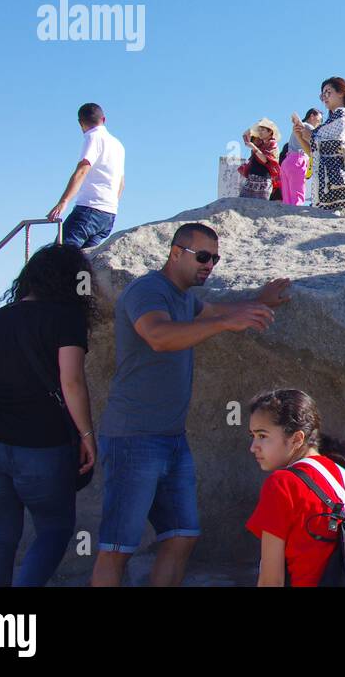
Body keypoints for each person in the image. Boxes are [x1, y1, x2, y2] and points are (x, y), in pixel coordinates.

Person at [91, 222, 290, 587]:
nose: (209, 265)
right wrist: (229, 321)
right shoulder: (148, 290)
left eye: (215, 258)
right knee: (117, 546)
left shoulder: (185, 297)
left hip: (171, 438)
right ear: (175, 253)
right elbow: (158, 335)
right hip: (133, 438)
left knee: (182, 535)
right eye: (202, 256)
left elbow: (211, 312)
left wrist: (259, 302)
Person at [0, 244, 97, 587]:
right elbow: (72, 381)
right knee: (54, 530)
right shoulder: (67, 318)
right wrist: (86, 435)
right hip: (39, 442)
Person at [245, 389, 345, 587]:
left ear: (297, 439)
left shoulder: (282, 484)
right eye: (252, 435)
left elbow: (271, 581)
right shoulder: (344, 475)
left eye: (262, 435)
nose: (253, 446)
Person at [48, 103, 126, 249]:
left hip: (89, 209)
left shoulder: (93, 137)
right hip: (109, 214)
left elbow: (83, 170)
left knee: (60, 256)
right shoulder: (118, 145)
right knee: (84, 262)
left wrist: (63, 201)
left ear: (80, 123)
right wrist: (111, 204)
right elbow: (121, 183)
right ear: (104, 119)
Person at [299, 77, 345, 220]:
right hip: (335, 180)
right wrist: (301, 135)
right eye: (322, 95)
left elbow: (339, 143)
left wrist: (313, 137)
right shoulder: (330, 122)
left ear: (340, 92)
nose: (324, 97)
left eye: (328, 92)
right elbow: (315, 153)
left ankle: (341, 207)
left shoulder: (344, 117)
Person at [280, 109, 320, 206]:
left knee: (287, 197)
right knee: (297, 196)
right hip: (298, 159)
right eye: (319, 120)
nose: (319, 123)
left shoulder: (296, 128)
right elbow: (317, 144)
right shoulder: (308, 127)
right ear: (312, 116)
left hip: (286, 161)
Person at [238, 119, 282, 200]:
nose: (260, 132)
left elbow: (265, 160)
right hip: (251, 179)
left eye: (263, 130)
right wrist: (256, 125)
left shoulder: (273, 144)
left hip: (264, 181)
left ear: (270, 132)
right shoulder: (259, 142)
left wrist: (254, 148)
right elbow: (245, 135)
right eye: (259, 130)